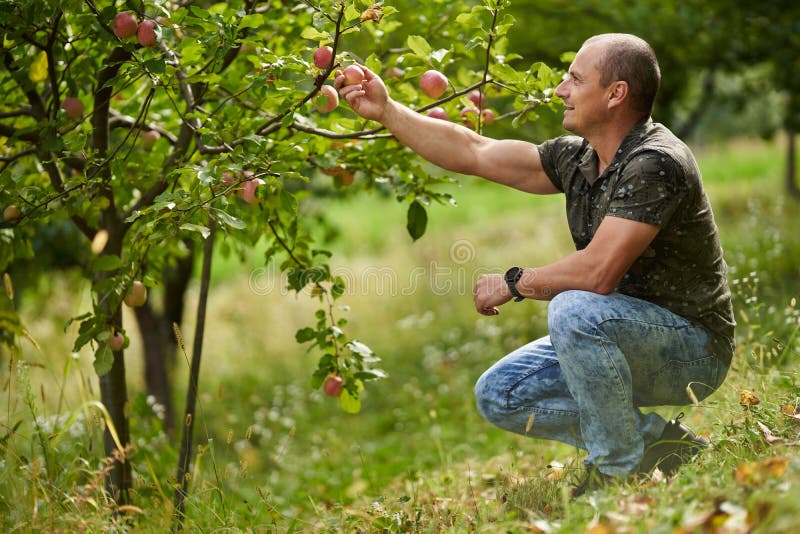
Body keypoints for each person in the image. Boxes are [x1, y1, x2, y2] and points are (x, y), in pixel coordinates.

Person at [335, 33, 734, 496]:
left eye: (575, 79)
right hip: (621, 334)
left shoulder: (655, 163)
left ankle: (617, 470)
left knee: (572, 309)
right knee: (501, 393)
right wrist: (387, 111)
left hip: (694, 352)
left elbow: (597, 272)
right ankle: (661, 445)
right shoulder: (581, 159)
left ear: (615, 93)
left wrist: (515, 281)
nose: (561, 89)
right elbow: (474, 152)